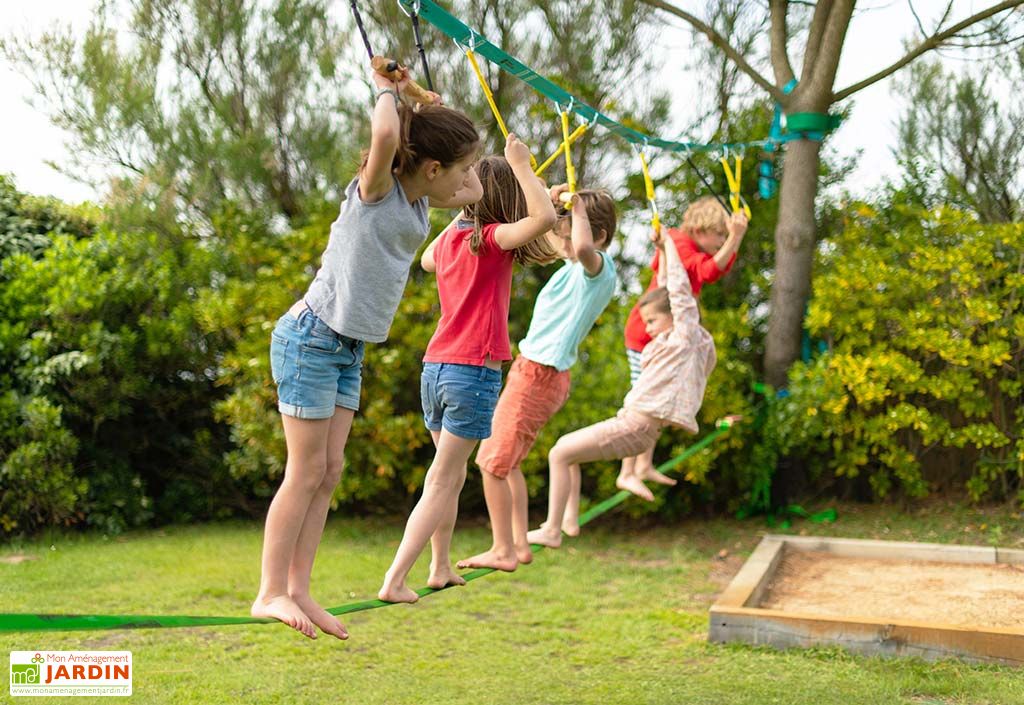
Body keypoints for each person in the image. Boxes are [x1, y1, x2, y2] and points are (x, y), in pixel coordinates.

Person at [252, 64, 482, 639]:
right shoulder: (375, 192)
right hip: (311, 337)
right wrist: (388, 89)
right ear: (431, 168)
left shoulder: (420, 204)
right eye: (458, 166)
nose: (468, 178)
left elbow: (473, 189)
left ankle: (300, 590)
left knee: (329, 472)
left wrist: (419, 101)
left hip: (347, 349)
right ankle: (269, 592)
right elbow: (385, 136)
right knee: (304, 471)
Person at [378, 135, 557, 603]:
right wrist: (521, 165)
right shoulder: (493, 239)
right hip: (471, 373)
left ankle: (438, 567)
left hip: (434, 370)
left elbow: (427, 258)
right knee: (443, 479)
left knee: (449, 477)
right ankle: (396, 578)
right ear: (506, 202)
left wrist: (463, 209)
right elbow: (542, 219)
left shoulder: (456, 240)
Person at [527, 222, 722, 548]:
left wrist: (671, 245)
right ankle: (568, 521)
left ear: (675, 317)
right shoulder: (677, 340)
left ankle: (551, 530)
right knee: (565, 453)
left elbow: (678, 292)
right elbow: (664, 289)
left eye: (651, 321)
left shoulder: (683, 338)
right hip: (637, 427)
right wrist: (661, 250)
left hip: (635, 426)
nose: (647, 328)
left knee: (559, 453)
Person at [457, 185, 619, 572]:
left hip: (540, 376)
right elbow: (546, 230)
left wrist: (577, 209)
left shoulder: (596, 271)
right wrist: (549, 197)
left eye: (570, 233)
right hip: (529, 371)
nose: (563, 243)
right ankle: (517, 545)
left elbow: (580, 247)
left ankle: (503, 551)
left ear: (598, 236)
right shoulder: (571, 268)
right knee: (506, 463)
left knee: (492, 463)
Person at [619, 199, 748, 492]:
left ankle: (643, 464)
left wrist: (733, 239)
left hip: (663, 337)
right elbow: (708, 272)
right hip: (647, 334)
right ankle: (627, 470)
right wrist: (737, 237)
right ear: (703, 229)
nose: (722, 242)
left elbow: (719, 267)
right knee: (643, 400)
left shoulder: (678, 243)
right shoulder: (679, 241)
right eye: (720, 235)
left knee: (657, 401)